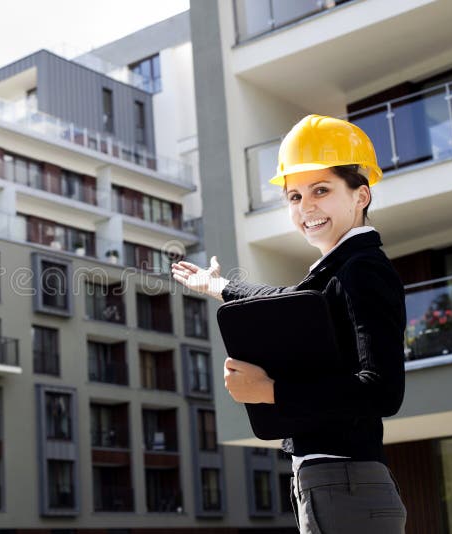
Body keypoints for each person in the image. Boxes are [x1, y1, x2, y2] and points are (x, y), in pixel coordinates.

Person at [171, 115, 407, 533]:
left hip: (344, 483)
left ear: (361, 195)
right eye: (294, 196)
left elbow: (381, 389)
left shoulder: (362, 270)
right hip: (336, 483)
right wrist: (220, 286)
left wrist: (269, 391)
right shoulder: (340, 270)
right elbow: (289, 299)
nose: (306, 207)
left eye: (321, 190)